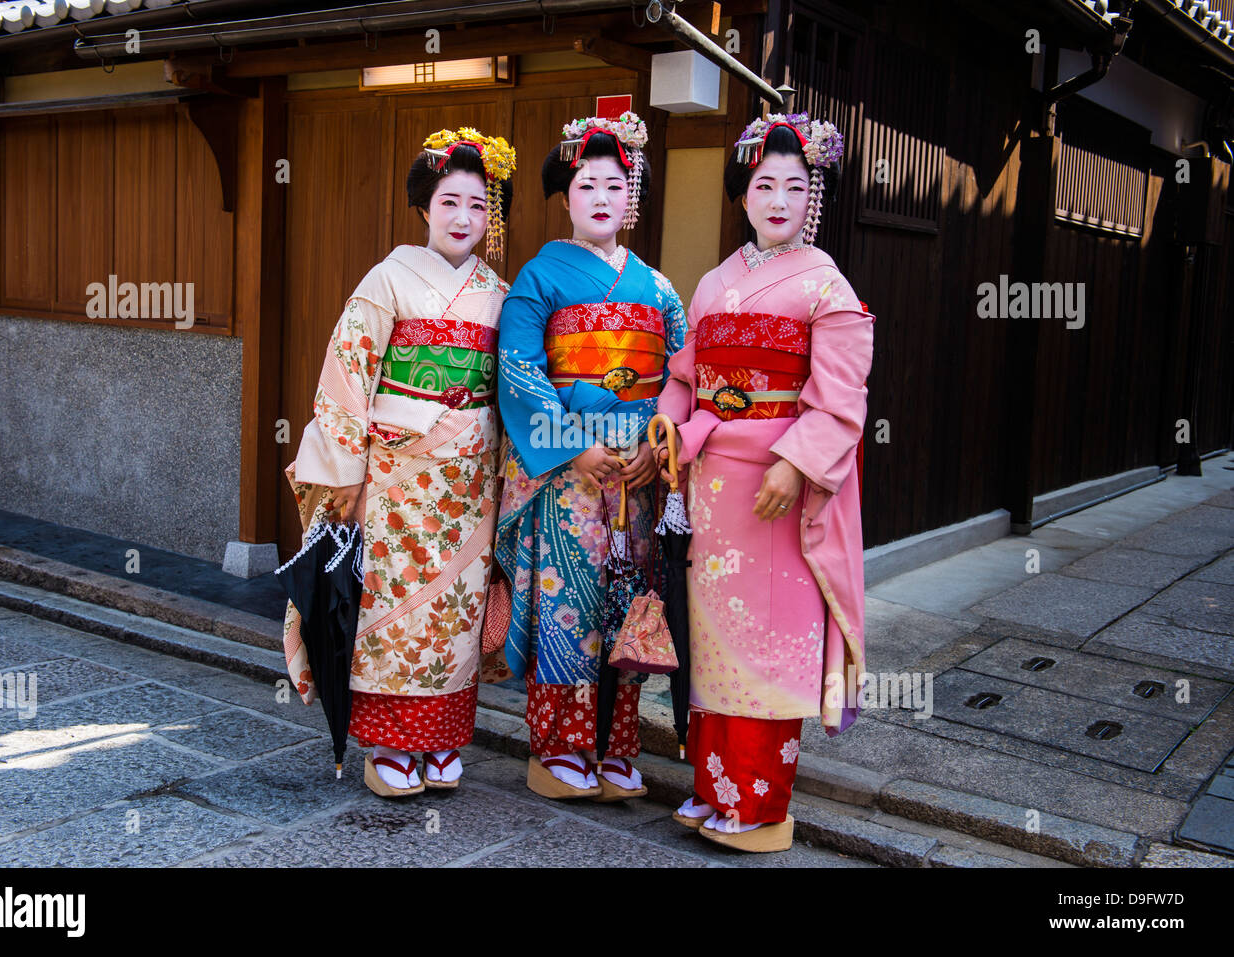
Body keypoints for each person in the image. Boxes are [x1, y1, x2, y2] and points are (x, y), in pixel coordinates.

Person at [654, 112, 873, 851]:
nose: (777, 199)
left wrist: (797, 461)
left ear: (814, 197)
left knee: (770, 642)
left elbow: (842, 399)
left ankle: (761, 803)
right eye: (763, 184)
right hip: (715, 485)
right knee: (716, 643)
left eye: (794, 185)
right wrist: (667, 423)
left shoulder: (828, 288)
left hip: (778, 487)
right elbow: (684, 376)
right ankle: (713, 788)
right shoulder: (717, 281)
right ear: (742, 195)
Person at [281, 127, 516, 796]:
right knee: (394, 609)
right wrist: (346, 473)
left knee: (457, 610)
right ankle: (388, 743)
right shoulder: (388, 278)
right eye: (449, 202)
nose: (463, 217)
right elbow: (346, 376)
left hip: (469, 476)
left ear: (490, 214)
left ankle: (441, 740)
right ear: (425, 206)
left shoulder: (498, 291)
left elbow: (511, 381)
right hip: (393, 475)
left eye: (477, 204)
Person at [496, 110, 687, 801]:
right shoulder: (539, 277)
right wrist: (573, 447)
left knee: (631, 603)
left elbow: (682, 375)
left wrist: (660, 446)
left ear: (630, 196)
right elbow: (517, 365)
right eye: (587, 186)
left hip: (635, 474)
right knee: (569, 607)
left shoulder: (660, 289)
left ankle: (616, 746)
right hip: (572, 474)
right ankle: (558, 746)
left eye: (614, 184)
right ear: (567, 197)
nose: (601, 198)